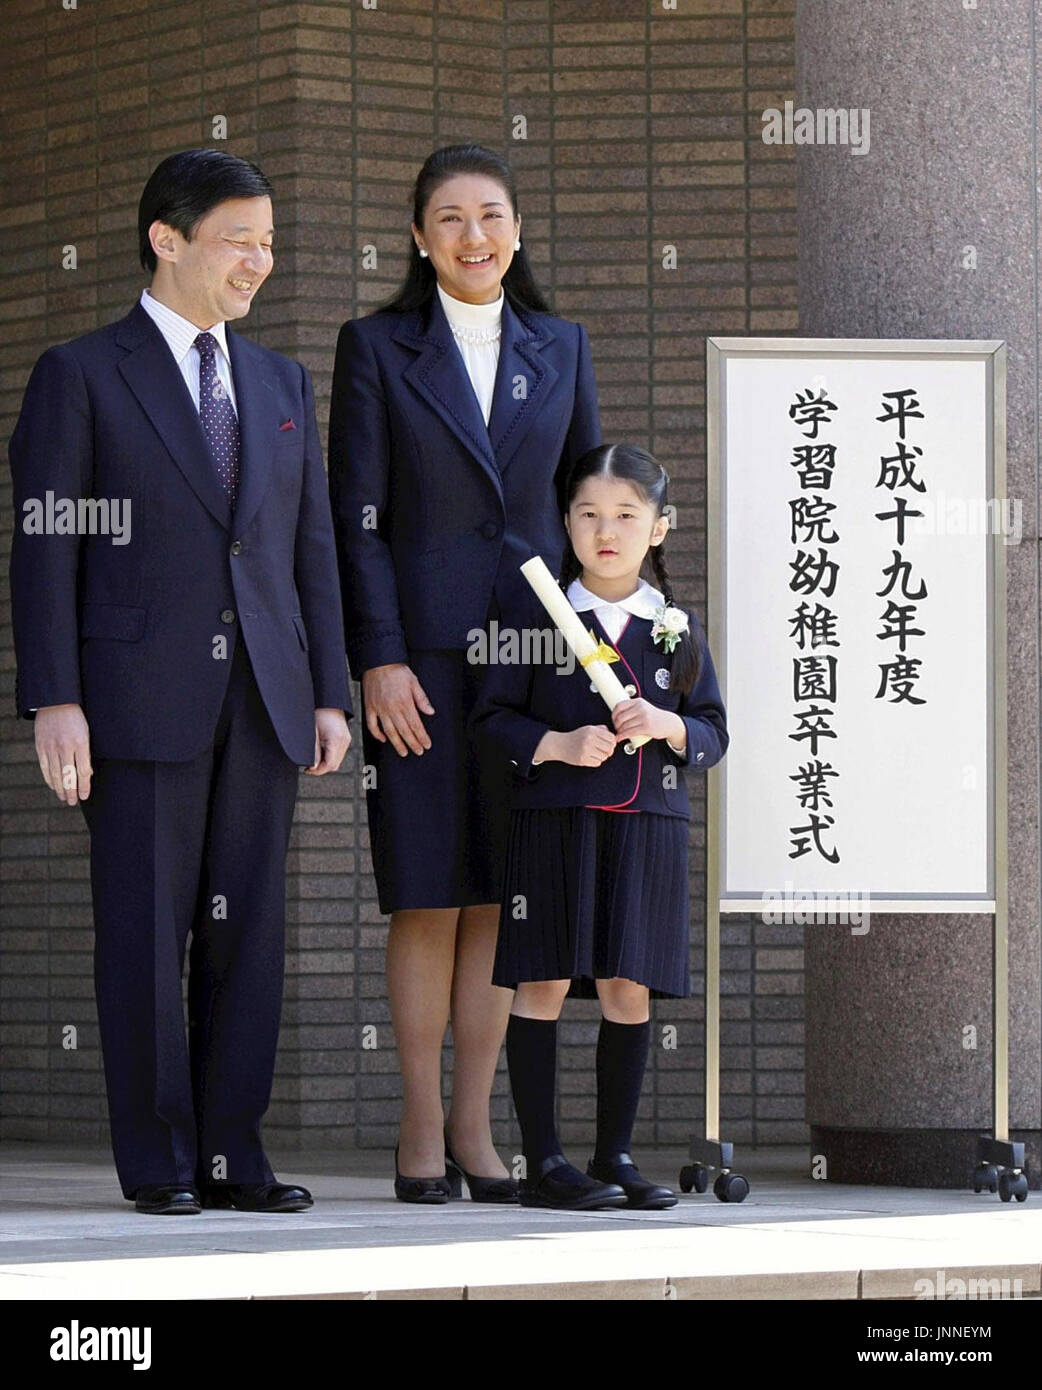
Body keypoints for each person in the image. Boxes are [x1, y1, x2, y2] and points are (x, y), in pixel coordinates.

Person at [7, 148, 352, 1215]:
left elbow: (312, 552)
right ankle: (158, 1157)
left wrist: (329, 689)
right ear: (167, 238)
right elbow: (44, 543)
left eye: (269, 242)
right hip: (133, 699)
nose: (260, 260)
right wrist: (53, 695)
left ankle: (232, 1155)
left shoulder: (281, 382)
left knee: (249, 933)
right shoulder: (83, 372)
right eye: (239, 239)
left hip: (264, 696)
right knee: (148, 935)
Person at [327, 143, 602, 1202]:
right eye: (448, 218)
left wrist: (595, 661)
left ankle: (479, 1124)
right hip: (426, 663)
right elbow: (358, 520)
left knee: (503, 898)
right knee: (428, 892)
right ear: (417, 237)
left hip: (531, 663)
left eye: (490, 215)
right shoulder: (375, 347)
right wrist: (380, 658)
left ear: (518, 231)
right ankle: (418, 1123)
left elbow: (584, 515)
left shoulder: (562, 346)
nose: (473, 236)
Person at [468, 442, 729, 1210]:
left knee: (628, 982)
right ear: (566, 524)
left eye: (625, 515)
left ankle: (613, 1155)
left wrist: (670, 725)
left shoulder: (674, 625)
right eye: (588, 515)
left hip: (649, 823)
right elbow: (490, 718)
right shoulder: (535, 613)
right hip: (554, 821)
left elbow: (714, 732)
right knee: (543, 976)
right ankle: (544, 1163)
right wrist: (556, 745)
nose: (605, 531)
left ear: (658, 528)